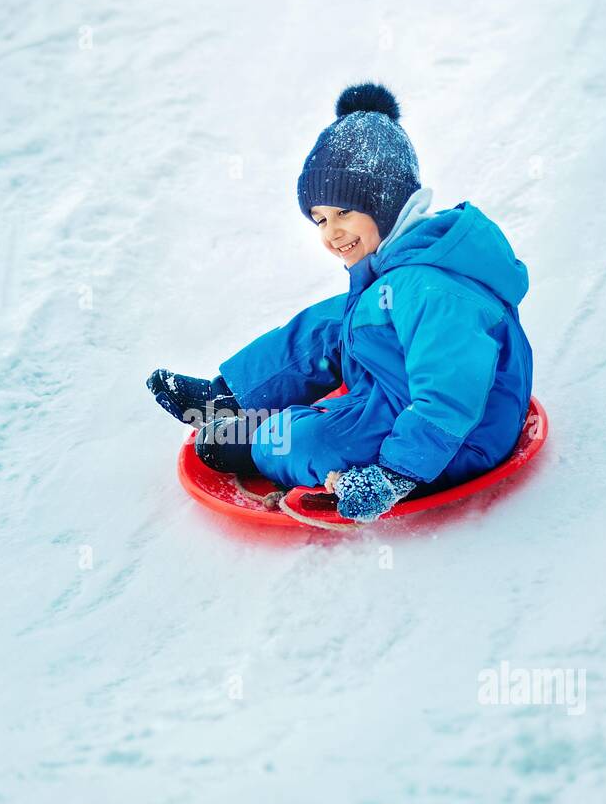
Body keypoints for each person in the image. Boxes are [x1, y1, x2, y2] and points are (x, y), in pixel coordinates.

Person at [147, 82, 533, 522]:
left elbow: (448, 399)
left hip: (456, 439)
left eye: (344, 213)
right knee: (335, 321)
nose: (331, 234)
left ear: (385, 202)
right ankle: (232, 396)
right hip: (400, 393)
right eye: (321, 219)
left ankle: (263, 439)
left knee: (318, 444)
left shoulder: (432, 292)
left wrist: (393, 476)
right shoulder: (403, 265)